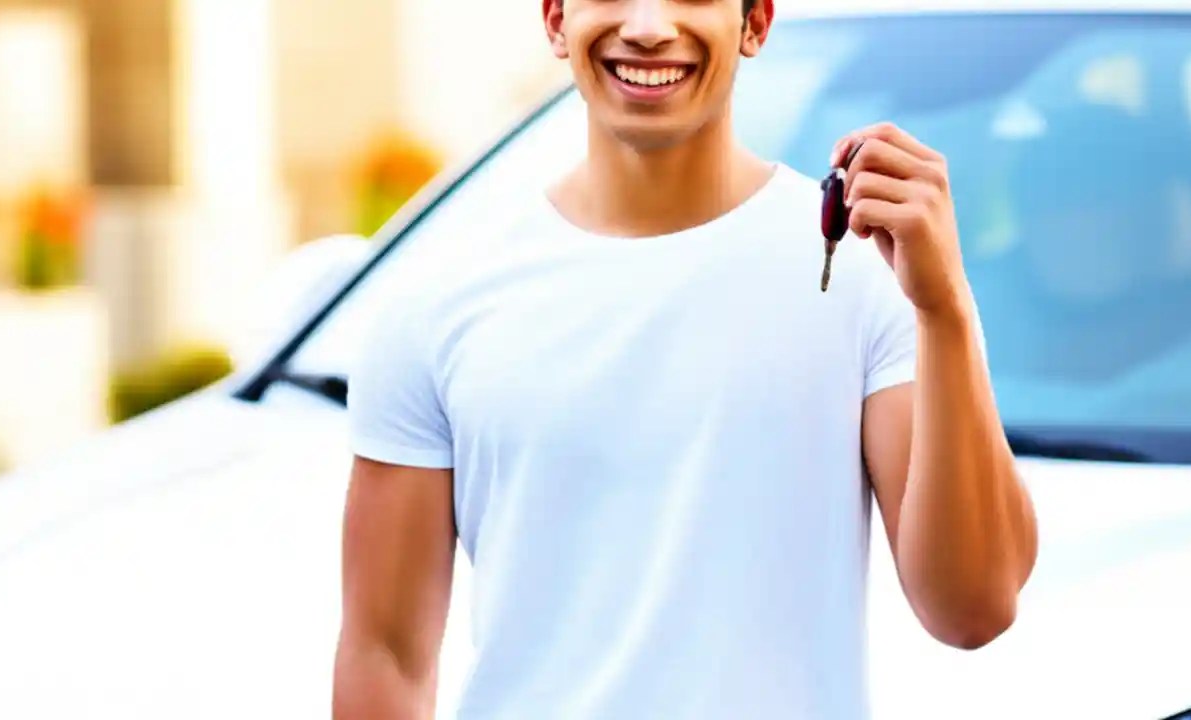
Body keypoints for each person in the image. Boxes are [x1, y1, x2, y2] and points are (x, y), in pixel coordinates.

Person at [332, 0, 1039, 718]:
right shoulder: (439, 298)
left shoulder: (866, 273)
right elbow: (384, 654)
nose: (647, 27)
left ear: (755, 22)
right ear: (554, 18)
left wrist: (944, 309)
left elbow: (973, 608)